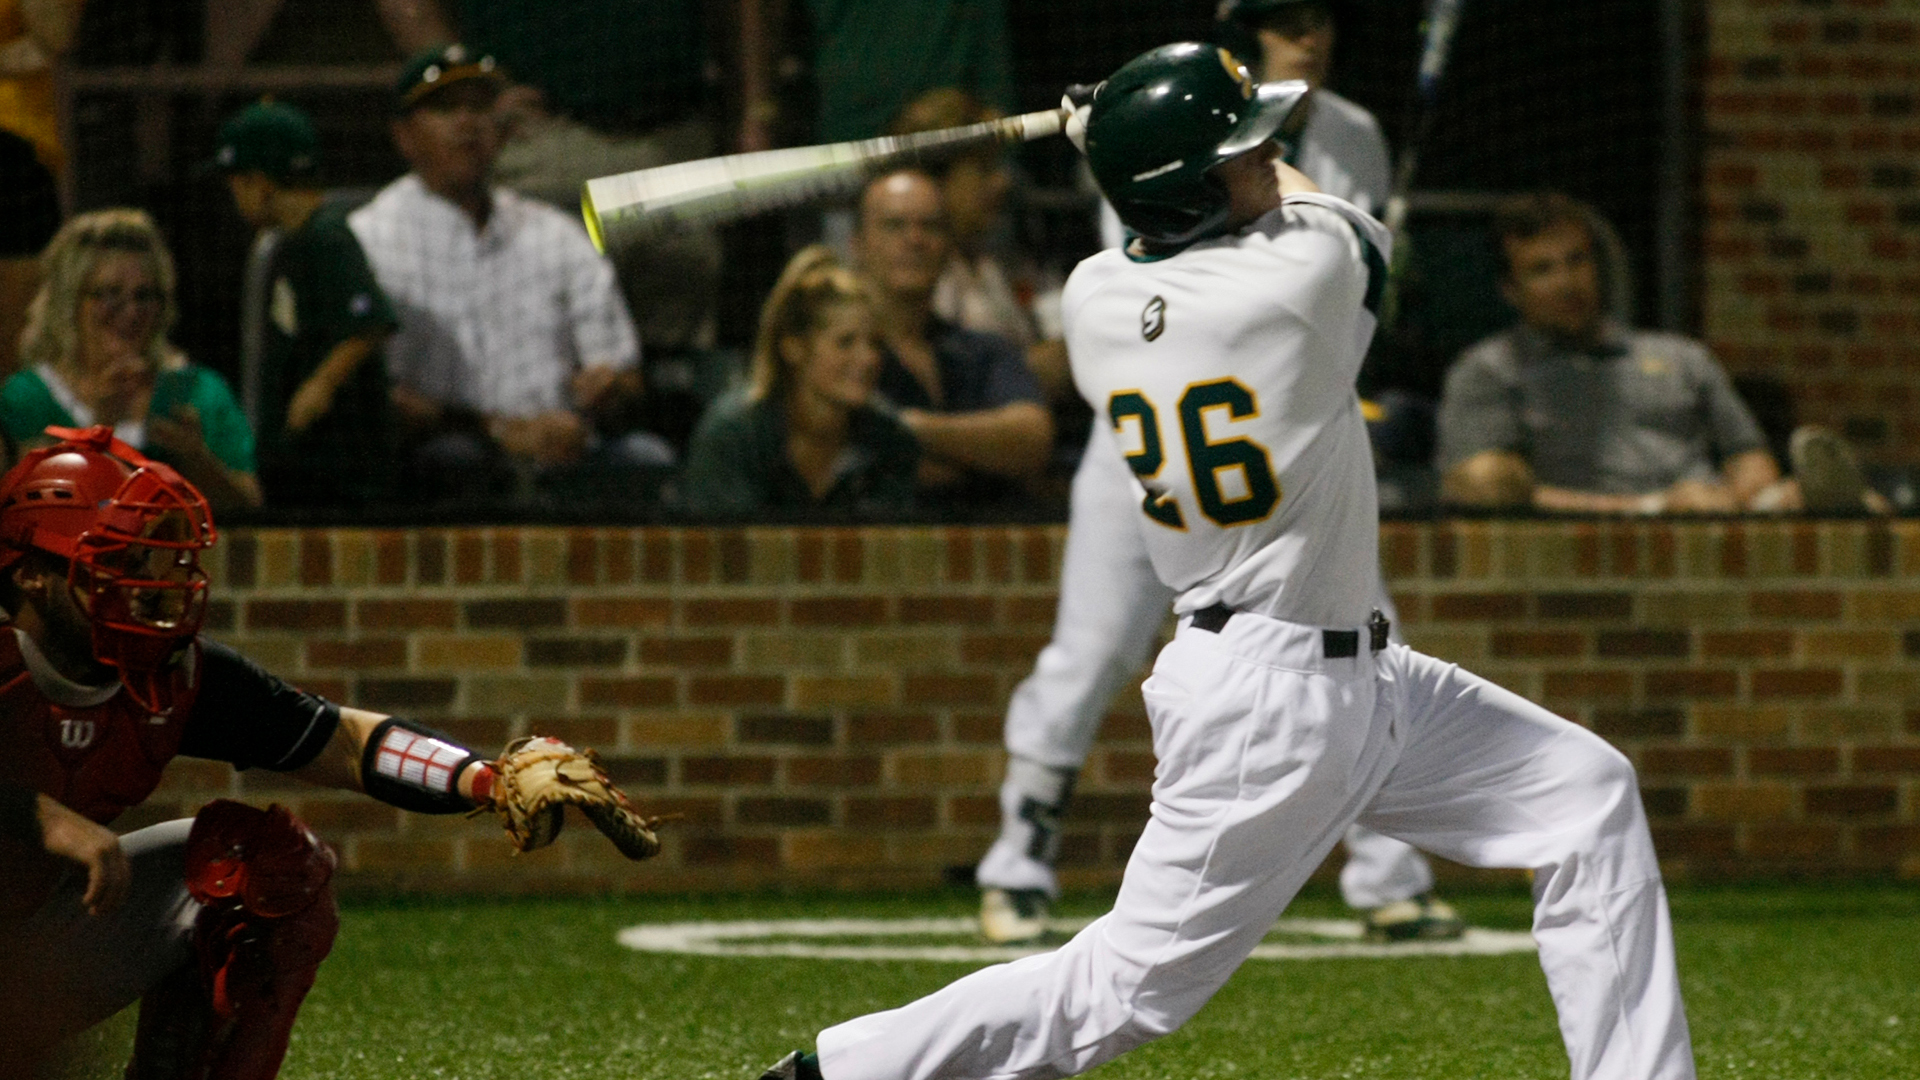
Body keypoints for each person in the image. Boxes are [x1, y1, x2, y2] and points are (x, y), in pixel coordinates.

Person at [756, 44, 1695, 1080]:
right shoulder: (1297, 282)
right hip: (1270, 704)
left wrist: (1112, 141)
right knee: (1116, 992)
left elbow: (1187, 218)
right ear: (1194, 190)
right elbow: (1322, 212)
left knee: (1584, 792)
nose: (1270, 156)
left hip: (1353, 678)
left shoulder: (1095, 297)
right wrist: (1124, 135)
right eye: (1244, 149)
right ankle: (842, 1073)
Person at [974, 0, 1455, 945]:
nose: (1308, 35)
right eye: (1281, 21)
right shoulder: (1232, 159)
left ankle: (1387, 872)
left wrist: (1100, 137)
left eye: (1319, 15)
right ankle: (1017, 859)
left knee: (1365, 631)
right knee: (1100, 648)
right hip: (1175, 438)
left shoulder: (1095, 285)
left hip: (1263, 420)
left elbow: (1188, 199)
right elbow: (1269, 224)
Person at [0, 426, 657, 1079]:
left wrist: (488, 781)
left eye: (150, 564)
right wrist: (41, 818)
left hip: (28, 956)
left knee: (269, 867)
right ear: (30, 573)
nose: (147, 589)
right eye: (116, 564)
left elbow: (339, 740)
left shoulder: (171, 676)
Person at [348, 45, 663, 504]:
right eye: (445, 108)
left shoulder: (555, 233)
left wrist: (606, 389)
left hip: (564, 447)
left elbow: (626, 376)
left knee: (645, 459)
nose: (467, 123)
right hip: (446, 454)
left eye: (480, 106)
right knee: (458, 463)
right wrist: (500, 431)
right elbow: (381, 400)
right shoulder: (370, 239)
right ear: (404, 136)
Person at [1437, 191, 1882, 514]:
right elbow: (1480, 487)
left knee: (1855, 506)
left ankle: (1815, 504)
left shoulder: (1682, 358)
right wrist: (1649, 507)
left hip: (1711, 521)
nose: (1568, 282)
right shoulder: (1489, 370)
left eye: (1577, 261)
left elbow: (1749, 457)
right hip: (1588, 537)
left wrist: (1733, 497)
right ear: (1510, 290)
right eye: (1543, 270)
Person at [373, 0, 722, 355]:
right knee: (533, 327)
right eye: (449, 109)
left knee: (674, 343)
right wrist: (469, 81)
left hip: (672, 128)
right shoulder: (379, 231)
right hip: (541, 138)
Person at [0, 210, 262, 512]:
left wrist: (196, 459)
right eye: (110, 294)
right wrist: (96, 430)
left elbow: (250, 507)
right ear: (69, 301)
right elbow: (23, 507)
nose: (131, 312)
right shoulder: (28, 395)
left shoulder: (198, 392)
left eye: (145, 296)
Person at [213, 99, 400, 509]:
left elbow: (370, 323)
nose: (236, 199)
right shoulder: (288, 242)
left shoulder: (326, 236)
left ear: (261, 183)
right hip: (307, 460)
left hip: (343, 459)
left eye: (238, 185)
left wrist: (321, 385)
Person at [851, 168, 1051, 511]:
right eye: (894, 225)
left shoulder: (985, 350)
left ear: (948, 246)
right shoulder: (833, 353)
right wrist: (981, 459)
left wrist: (905, 430)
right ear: (857, 245)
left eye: (930, 226)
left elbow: (1032, 440)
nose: (915, 239)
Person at [680, 245, 918, 517]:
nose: (868, 359)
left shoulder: (890, 436)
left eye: (875, 343)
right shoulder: (734, 434)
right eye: (845, 342)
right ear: (793, 347)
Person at [887, 89, 1072, 406]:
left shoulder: (993, 258)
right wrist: (1031, 370)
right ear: (936, 180)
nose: (1001, 181)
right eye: (984, 168)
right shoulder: (913, 270)